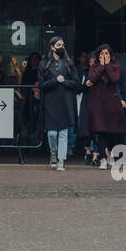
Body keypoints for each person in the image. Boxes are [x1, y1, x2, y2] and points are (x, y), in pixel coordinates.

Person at [37, 36, 81, 171]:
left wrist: (65, 82)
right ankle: (53, 153)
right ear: (52, 47)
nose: (61, 47)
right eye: (58, 45)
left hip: (66, 101)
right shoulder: (43, 64)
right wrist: (55, 80)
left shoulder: (69, 63)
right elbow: (42, 85)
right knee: (51, 133)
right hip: (50, 102)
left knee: (63, 132)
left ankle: (61, 160)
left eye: (63, 45)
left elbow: (76, 83)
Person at [85, 44, 126, 169]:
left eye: (107, 53)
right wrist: (101, 66)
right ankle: (103, 158)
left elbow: (115, 79)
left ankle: (111, 156)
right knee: (101, 131)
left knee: (113, 131)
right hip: (98, 103)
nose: (105, 56)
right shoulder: (94, 67)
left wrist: (107, 66)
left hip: (112, 103)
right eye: (102, 53)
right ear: (98, 55)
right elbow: (92, 78)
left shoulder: (115, 67)